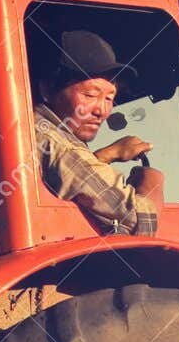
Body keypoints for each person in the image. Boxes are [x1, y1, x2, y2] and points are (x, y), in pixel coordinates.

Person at [34, 30, 163, 235]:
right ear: (48, 90)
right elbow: (139, 219)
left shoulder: (37, 129)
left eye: (109, 98)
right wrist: (151, 180)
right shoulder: (57, 143)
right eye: (90, 94)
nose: (101, 111)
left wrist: (105, 156)